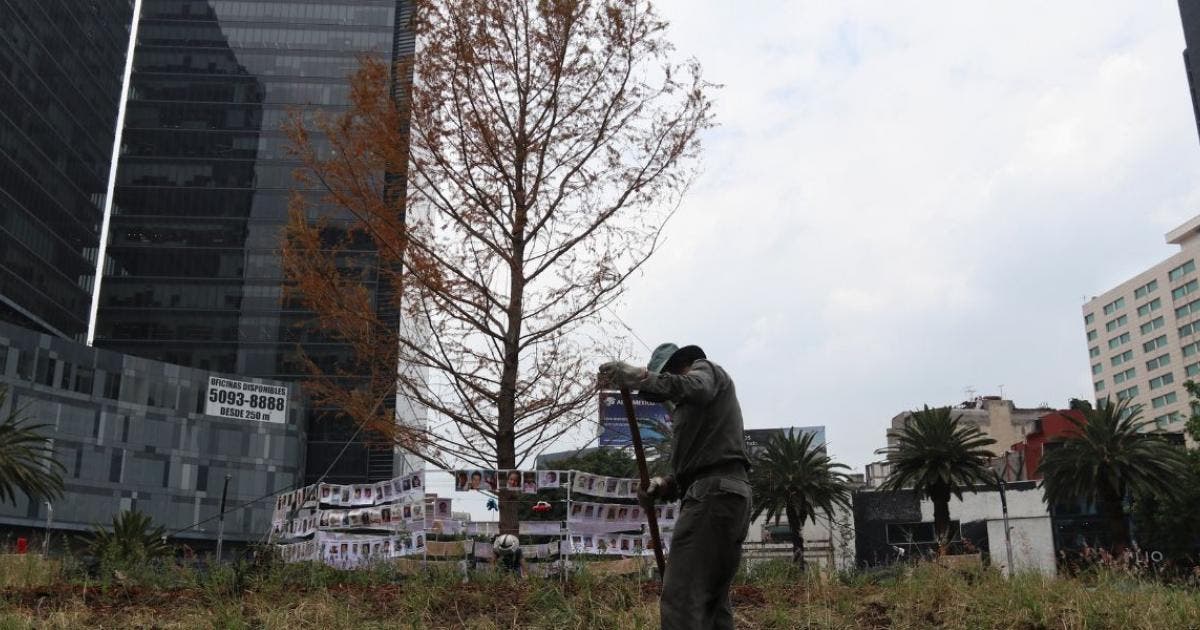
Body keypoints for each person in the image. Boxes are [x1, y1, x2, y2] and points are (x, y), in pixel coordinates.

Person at [600, 343, 752, 630]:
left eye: (666, 381)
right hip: (722, 494)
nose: (668, 396)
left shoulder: (705, 371)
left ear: (675, 368)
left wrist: (641, 378)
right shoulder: (700, 415)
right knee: (711, 601)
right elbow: (695, 466)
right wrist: (663, 486)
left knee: (681, 596)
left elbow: (696, 387)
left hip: (714, 495)